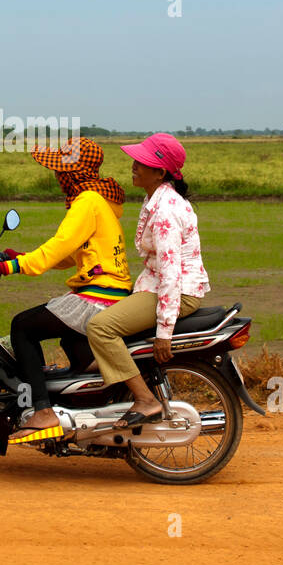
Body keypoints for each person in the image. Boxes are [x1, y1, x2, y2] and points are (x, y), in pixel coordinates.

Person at [0, 137, 131, 443]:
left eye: (59, 170)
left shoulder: (87, 202)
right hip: (108, 291)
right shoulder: (97, 200)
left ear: (72, 172)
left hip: (99, 296)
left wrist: (11, 267)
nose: (56, 176)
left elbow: (59, 245)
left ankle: (42, 411)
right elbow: (67, 256)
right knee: (68, 337)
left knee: (23, 326)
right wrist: (21, 257)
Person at [85, 133, 210, 428]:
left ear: (160, 172)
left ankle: (145, 400)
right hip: (158, 285)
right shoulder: (157, 199)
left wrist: (164, 331)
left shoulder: (165, 210)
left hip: (176, 291)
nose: (133, 165)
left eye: (142, 162)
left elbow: (170, 272)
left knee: (100, 328)